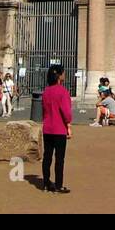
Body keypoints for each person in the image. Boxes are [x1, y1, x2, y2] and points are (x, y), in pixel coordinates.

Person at [41, 64, 72, 194]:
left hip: (47, 127)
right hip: (59, 129)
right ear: (59, 75)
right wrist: (68, 125)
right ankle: (58, 185)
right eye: (63, 73)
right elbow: (66, 112)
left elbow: (44, 110)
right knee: (59, 158)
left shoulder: (46, 91)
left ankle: (46, 183)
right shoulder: (63, 92)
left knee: (47, 156)